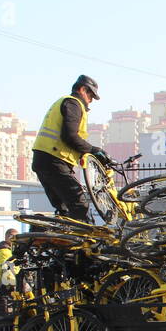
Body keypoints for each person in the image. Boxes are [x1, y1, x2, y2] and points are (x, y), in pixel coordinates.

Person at [30, 74, 114, 222]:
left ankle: (63, 242)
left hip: (44, 160)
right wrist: (95, 150)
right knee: (79, 205)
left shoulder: (61, 102)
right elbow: (70, 137)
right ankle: (84, 243)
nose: (91, 101)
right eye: (90, 96)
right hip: (54, 160)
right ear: (82, 89)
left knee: (64, 209)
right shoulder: (74, 104)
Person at [0, 228, 19, 293]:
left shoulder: (8, 252)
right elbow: (8, 274)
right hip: (2, 293)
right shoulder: (4, 253)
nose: (18, 241)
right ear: (9, 238)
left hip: (5, 291)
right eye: (16, 238)